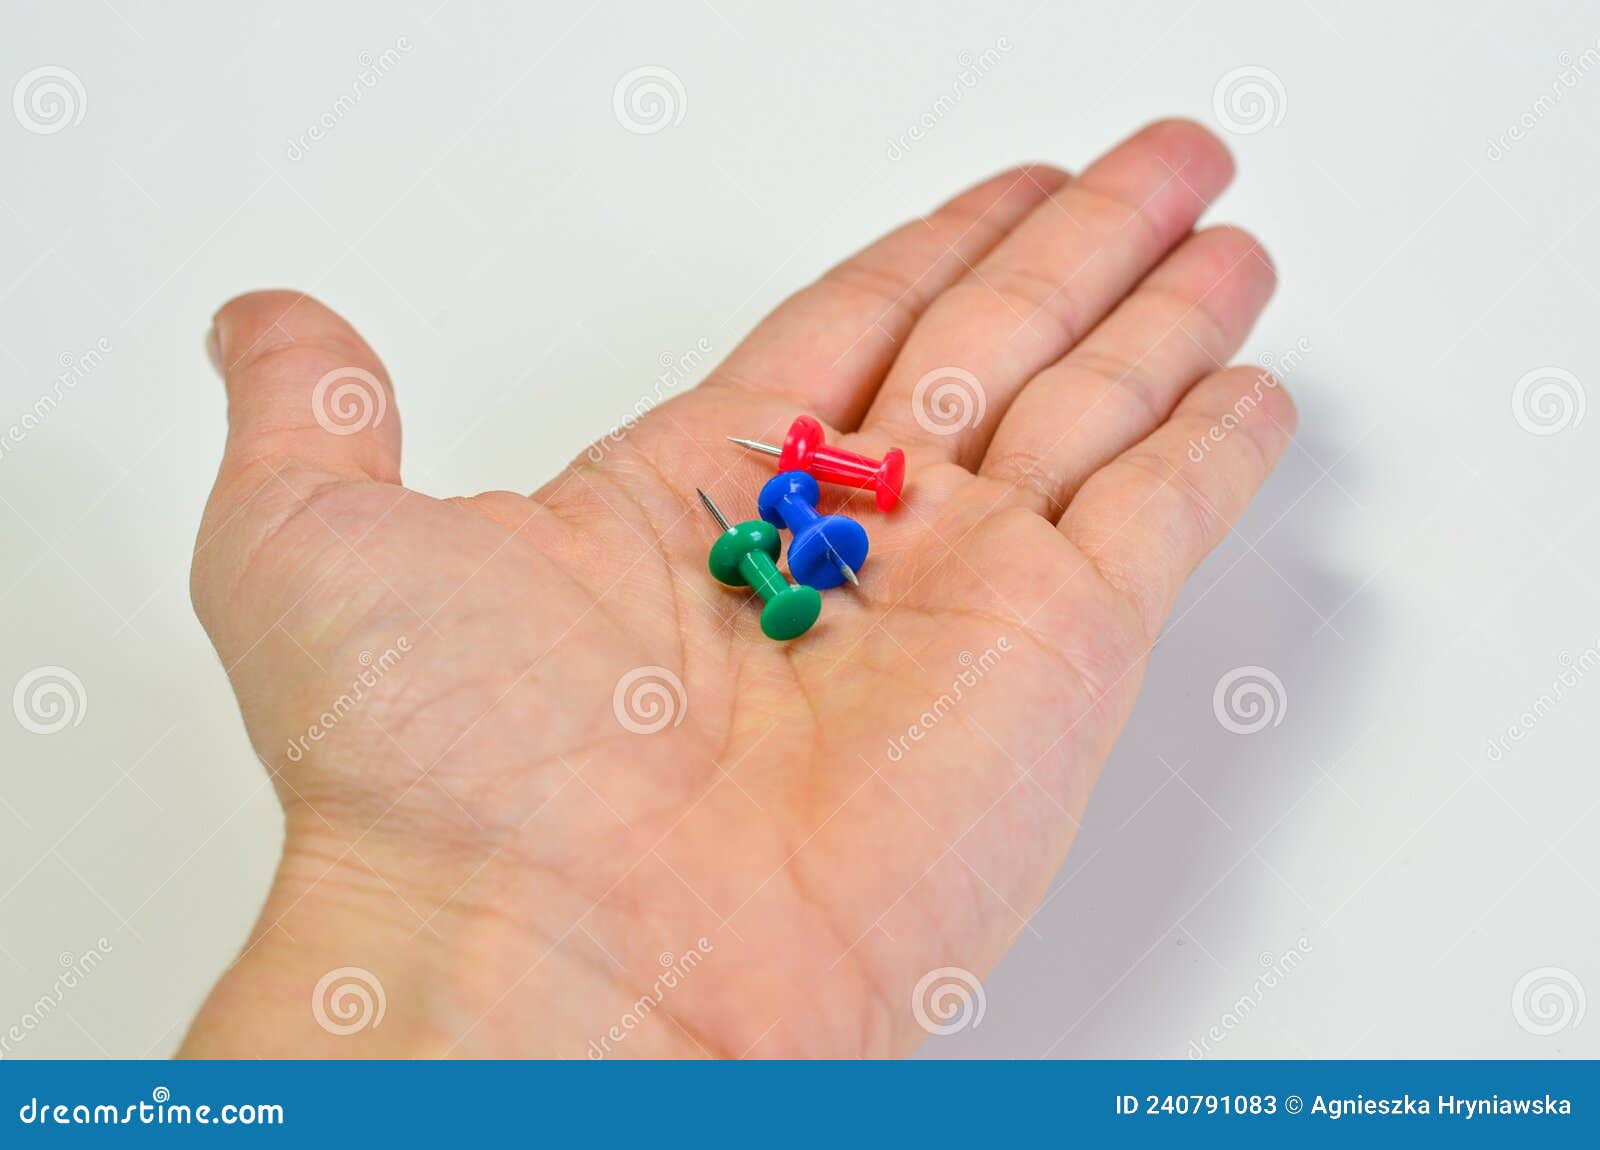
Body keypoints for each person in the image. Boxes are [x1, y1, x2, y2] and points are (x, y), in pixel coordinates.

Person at [181, 119, 1294, 1057]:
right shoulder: (777, 538)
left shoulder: (803, 521)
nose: (782, 546)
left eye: (786, 538)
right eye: (786, 539)